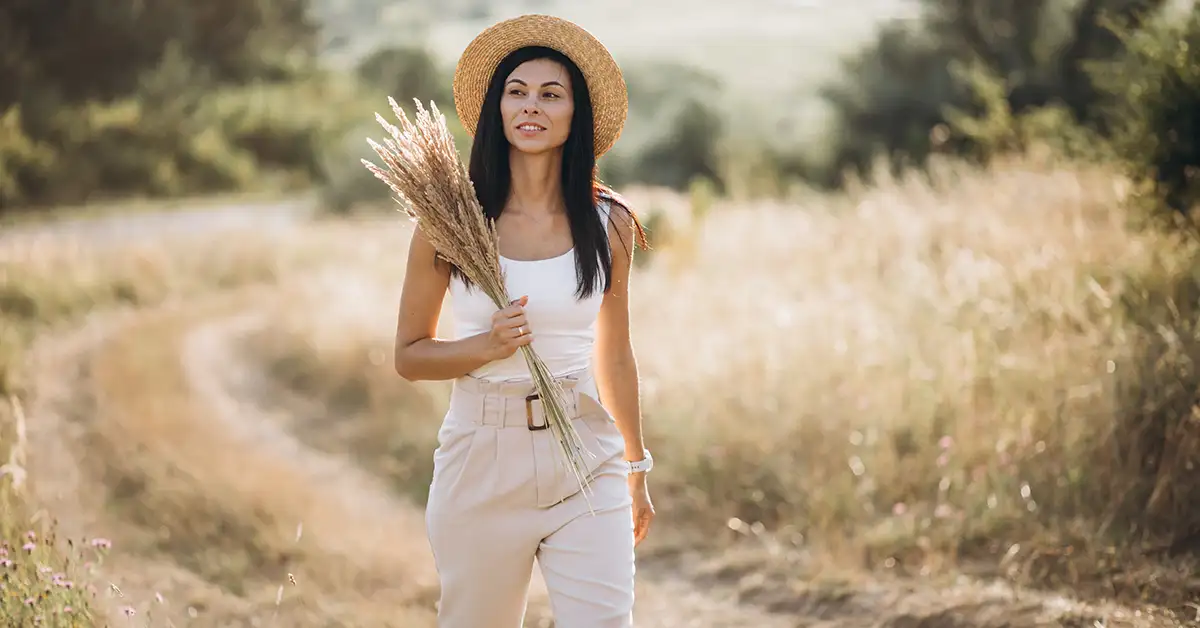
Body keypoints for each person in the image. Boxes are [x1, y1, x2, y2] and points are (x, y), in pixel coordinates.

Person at [391, 14, 655, 628]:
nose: (530, 106)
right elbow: (408, 355)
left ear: (575, 116)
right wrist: (485, 346)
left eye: (550, 94)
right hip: (480, 460)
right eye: (516, 91)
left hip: (587, 455)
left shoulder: (608, 222)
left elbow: (614, 354)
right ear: (497, 109)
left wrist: (636, 467)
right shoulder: (448, 223)